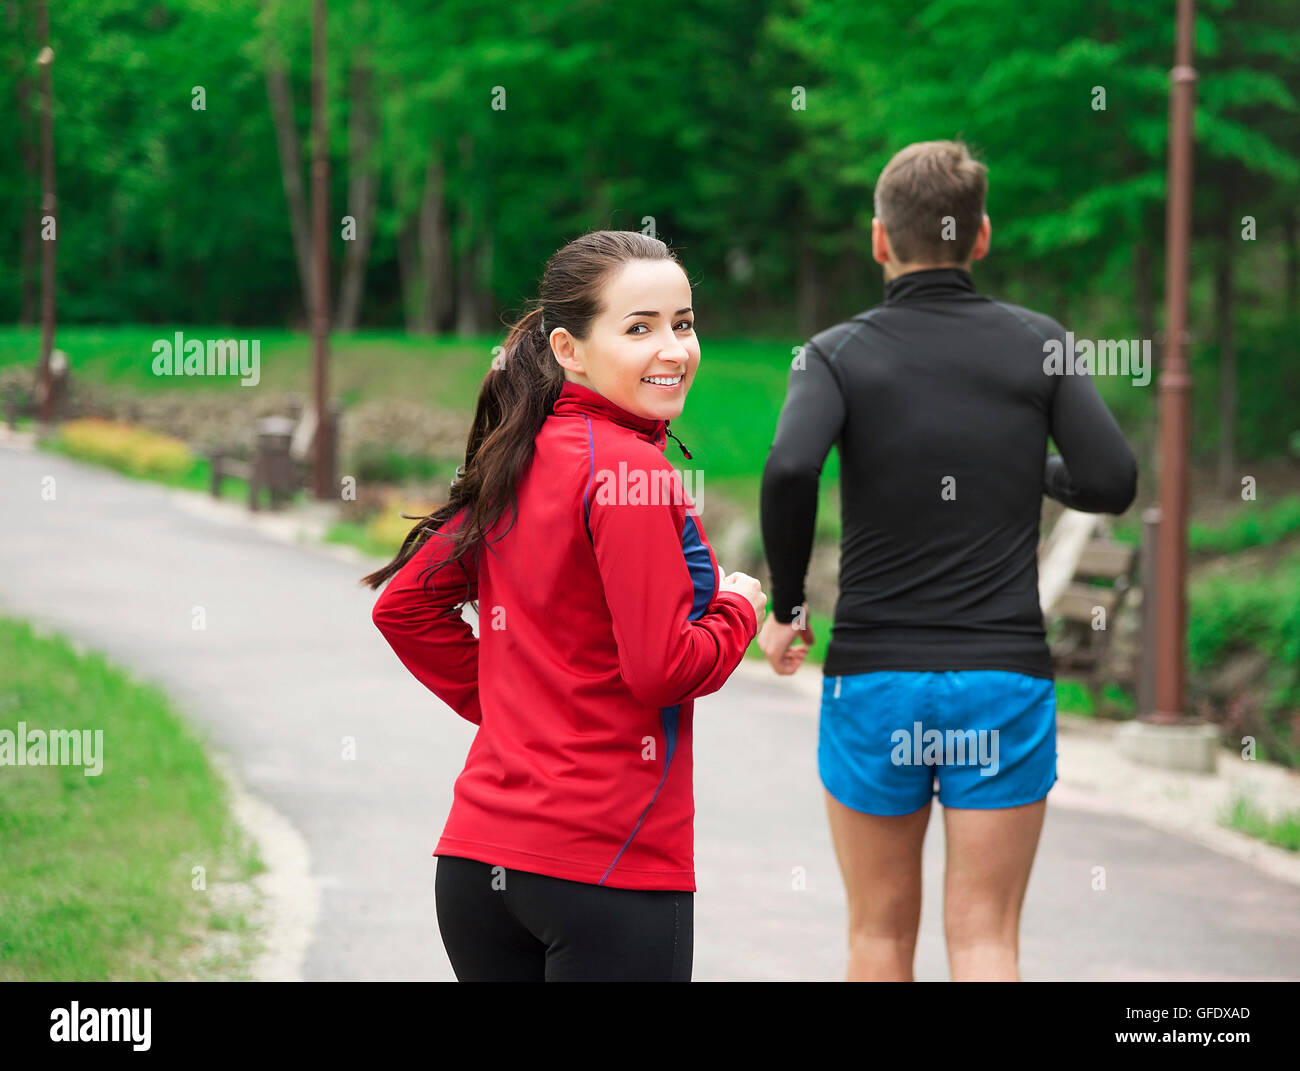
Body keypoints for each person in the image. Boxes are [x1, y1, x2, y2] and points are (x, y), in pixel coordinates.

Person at [757, 140, 1138, 981]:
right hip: (1000, 678)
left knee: (879, 937)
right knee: (986, 938)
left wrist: (787, 607)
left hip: (876, 677)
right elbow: (1112, 478)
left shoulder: (834, 352)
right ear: (983, 236)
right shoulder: (1039, 342)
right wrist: (1027, 466)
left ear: (879, 240)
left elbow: (789, 468)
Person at [363, 230, 766, 982]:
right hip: (607, 870)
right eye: (639, 327)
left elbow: (407, 605)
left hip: (478, 868)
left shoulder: (522, 450)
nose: (674, 348)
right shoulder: (634, 473)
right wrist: (740, 608)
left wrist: (524, 703)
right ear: (570, 349)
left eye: (683, 322)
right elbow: (662, 667)